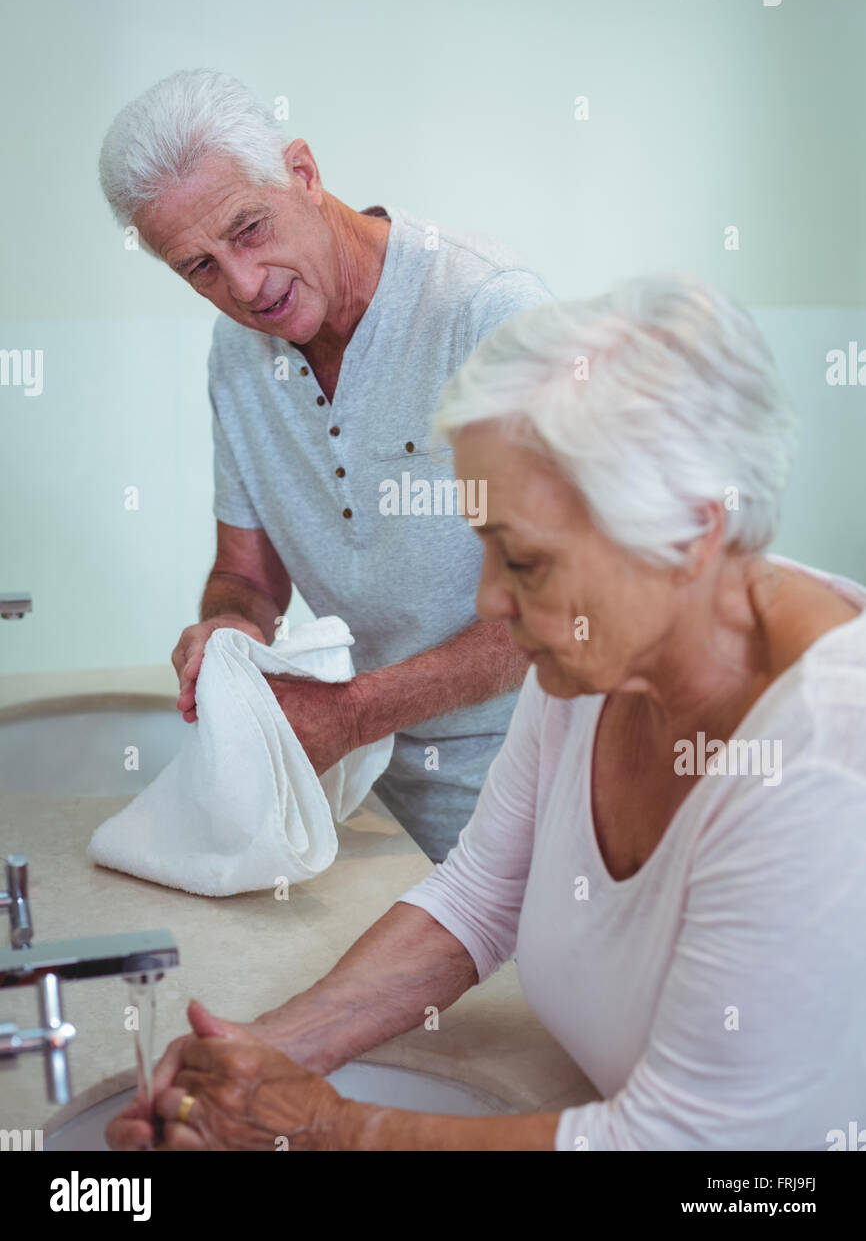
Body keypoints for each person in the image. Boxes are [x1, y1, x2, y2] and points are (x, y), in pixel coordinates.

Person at [108, 274, 866, 1150]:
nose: (491, 601)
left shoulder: (826, 756)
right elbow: (482, 896)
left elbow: (698, 1155)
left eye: (526, 562)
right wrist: (259, 1054)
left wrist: (323, 1127)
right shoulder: (599, 657)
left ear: (692, 535)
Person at [98, 68, 551, 860]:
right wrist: (230, 632)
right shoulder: (238, 354)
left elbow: (563, 604)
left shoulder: (487, 309)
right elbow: (249, 575)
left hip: (539, 780)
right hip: (374, 795)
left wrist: (351, 710)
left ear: (302, 174)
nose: (243, 284)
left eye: (248, 228)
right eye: (197, 267)